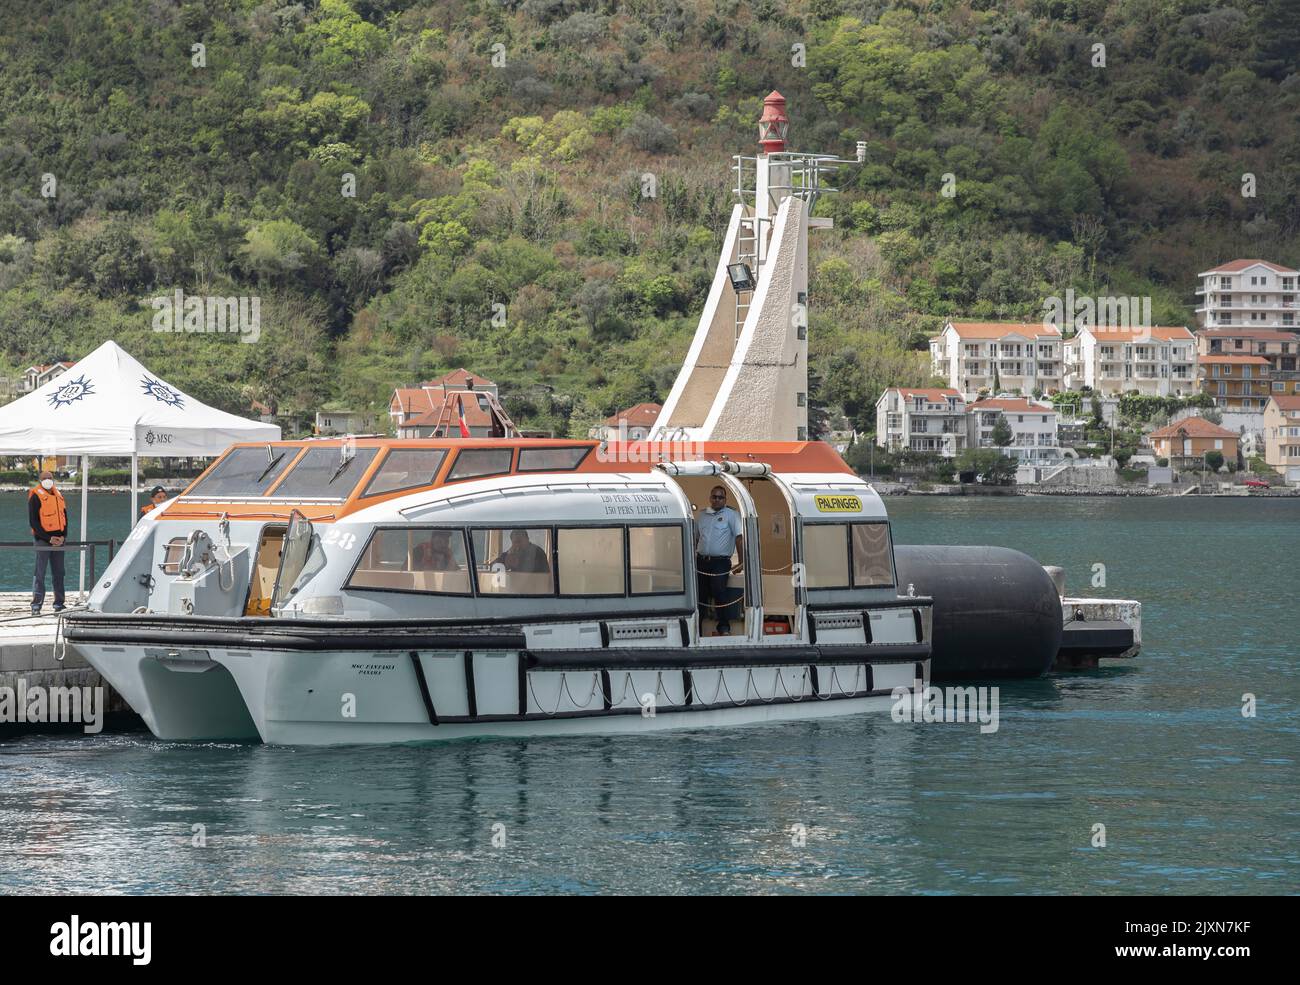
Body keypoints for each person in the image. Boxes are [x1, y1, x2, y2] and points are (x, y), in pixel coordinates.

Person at [695, 485, 743, 635]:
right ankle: (697, 629)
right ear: (710, 498)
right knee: (700, 594)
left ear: (725, 499)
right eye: (714, 497)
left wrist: (741, 562)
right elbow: (695, 538)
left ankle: (723, 627)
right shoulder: (702, 515)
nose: (717, 500)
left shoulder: (731, 514)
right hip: (702, 561)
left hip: (720, 562)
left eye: (720, 497)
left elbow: (739, 538)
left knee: (718, 590)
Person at [29, 469, 68, 616]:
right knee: (40, 573)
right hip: (43, 541)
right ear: (40, 480)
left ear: (53, 479)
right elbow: (33, 521)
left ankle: (59, 604)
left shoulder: (59, 495)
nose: (47, 480)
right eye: (45, 478)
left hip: (60, 540)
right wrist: (48, 538)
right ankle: (36, 605)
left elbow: (65, 518)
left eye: (50, 477)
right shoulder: (35, 496)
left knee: (59, 573)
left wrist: (63, 536)